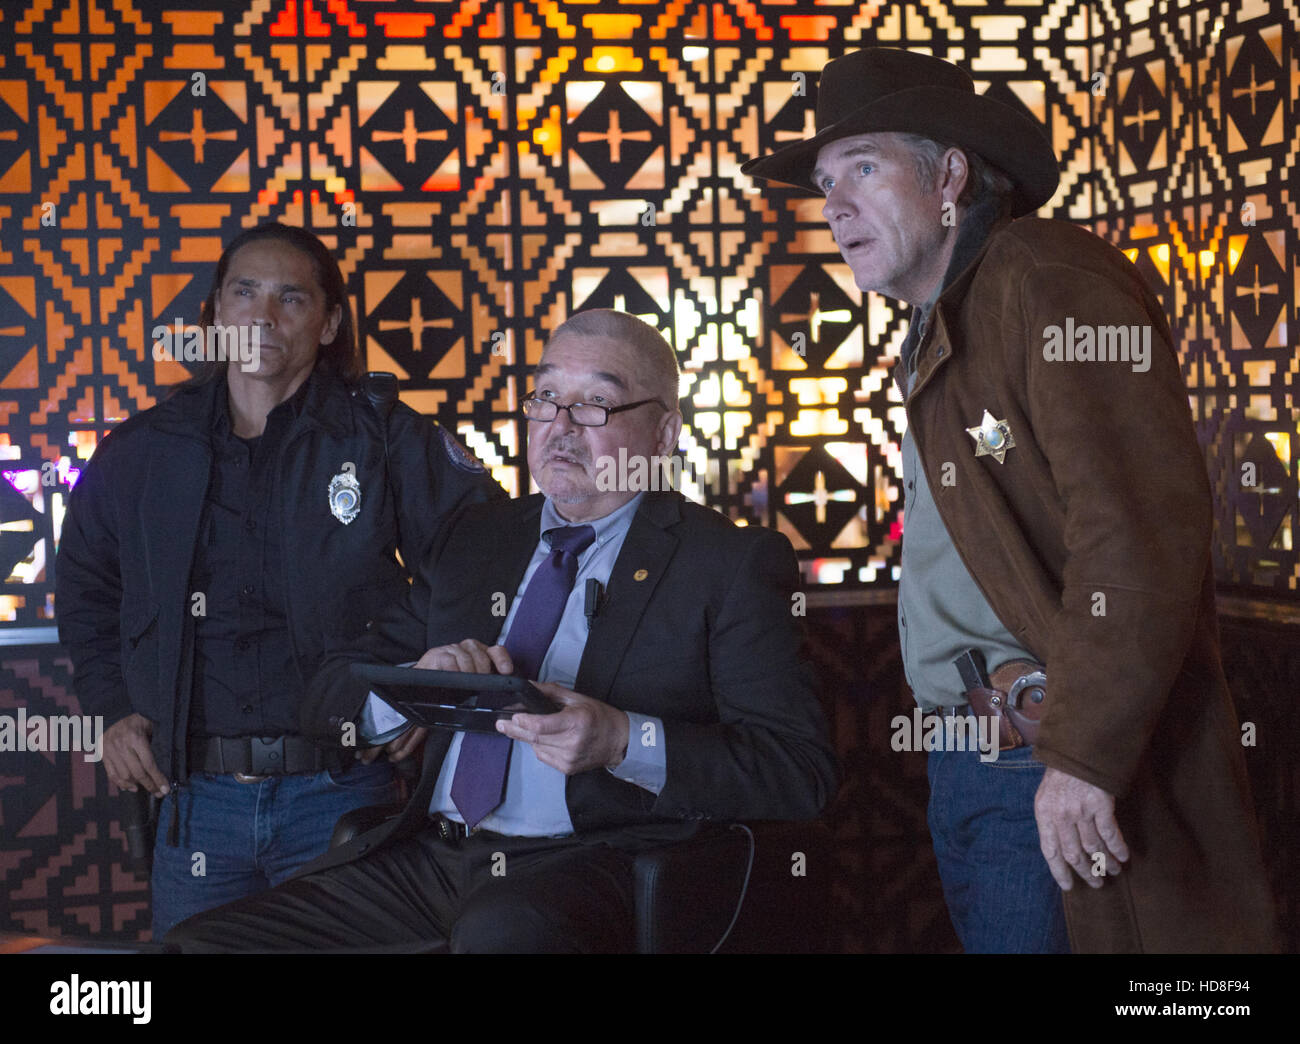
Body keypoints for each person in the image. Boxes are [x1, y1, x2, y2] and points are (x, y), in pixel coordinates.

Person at [743, 47, 1276, 953]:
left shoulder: (1044, 277)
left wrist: (1081, 757)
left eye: (862, 167)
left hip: (1049, 752)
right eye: (826, 182)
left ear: (949, 173)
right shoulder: (946, 315)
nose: (833, 205)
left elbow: (1139, 536)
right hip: (976, 753)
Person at [163, 308, 838, 953]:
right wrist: (415, 689)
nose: (561, 426)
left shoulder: (726, 563)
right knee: (200, 945)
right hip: (433, 858)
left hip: (596, 860)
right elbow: (333, 691)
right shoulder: (476, 542)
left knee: (502, 932)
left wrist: (624, 739)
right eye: (546, 397)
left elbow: (796, 770)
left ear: (663, 434)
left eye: (595, 404)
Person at [56, 222, 504, 939]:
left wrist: (417, 679)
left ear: (329, 324)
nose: (263, 316)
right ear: (215, 314)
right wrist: (109, 707)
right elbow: (84, 585)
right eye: (245, 293)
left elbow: (483, 554)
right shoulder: (145, 450)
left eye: (291, 298)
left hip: (342, 795)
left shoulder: (382, 437)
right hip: (195, 803)